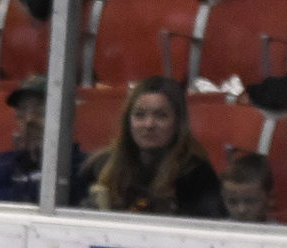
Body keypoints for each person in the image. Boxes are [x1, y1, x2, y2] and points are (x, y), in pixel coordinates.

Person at [78, 76, 223, 218]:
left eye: (161, 116)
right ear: (128, 122)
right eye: (139, 115)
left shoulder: (197, 176)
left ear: (178, 123)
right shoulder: (101, 166)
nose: (149, 125)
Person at [220, 151, 274, 224]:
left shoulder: (281, 234)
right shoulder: (217, 232)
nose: (241, 210)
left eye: (250, 201)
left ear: (269, 199)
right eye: (232, 202)